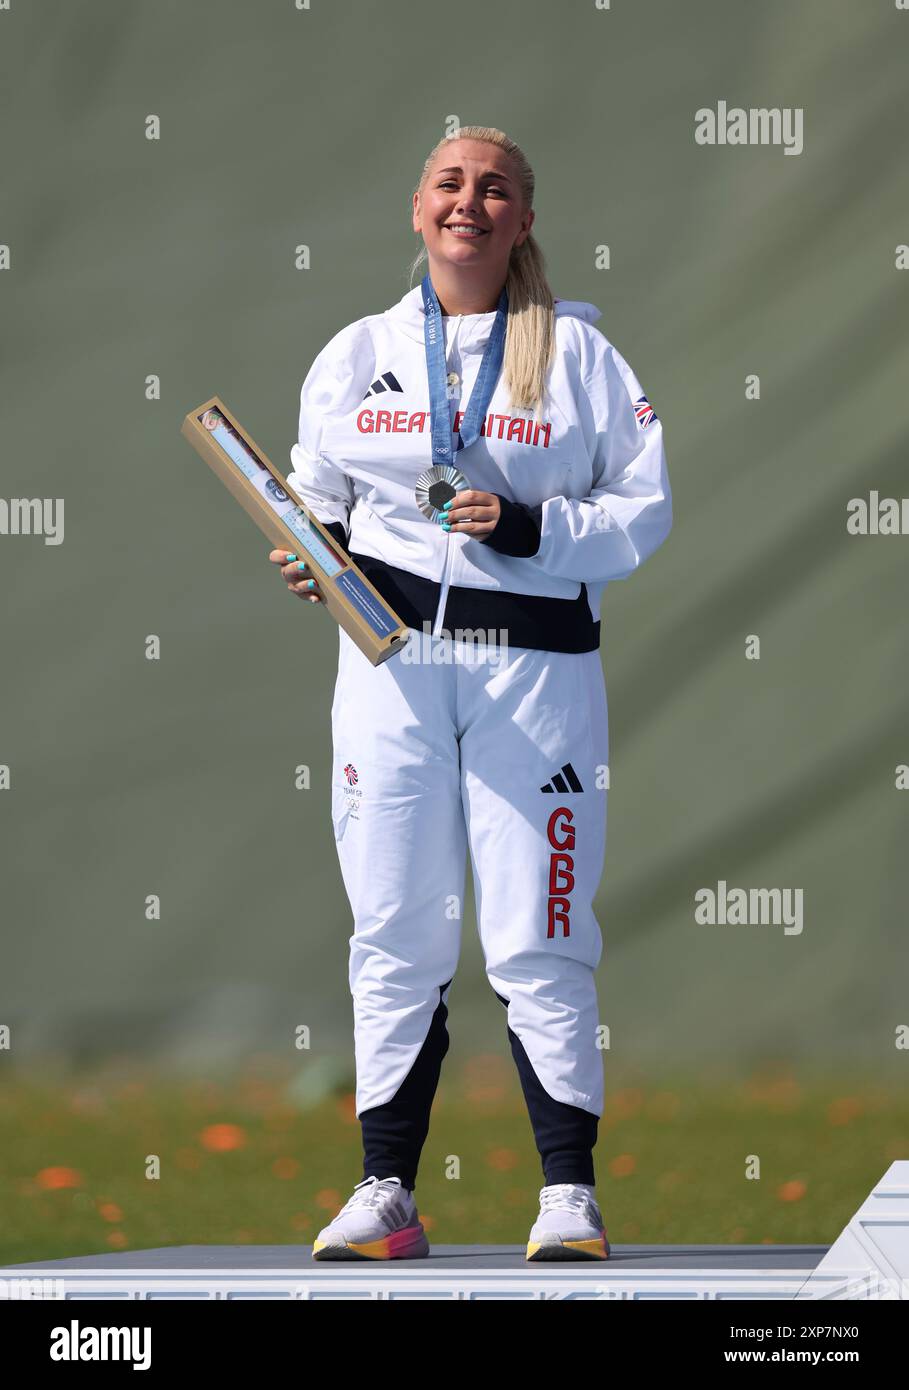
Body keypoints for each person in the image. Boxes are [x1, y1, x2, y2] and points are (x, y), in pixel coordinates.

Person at [270, 125, 672, 1261]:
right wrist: (312, 555)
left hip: (534, 673)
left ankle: (567, 1195)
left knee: (538, 933)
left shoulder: (581, 358)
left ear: (524, 219)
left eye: (495, 188)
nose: (470, 202)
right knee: (394, 932)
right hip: (391, 673)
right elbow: (318, 505)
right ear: (417, 208)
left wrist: (533, 523)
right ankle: (386, 1192)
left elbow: (643, 512)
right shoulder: (354, 354)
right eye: (450, 183)